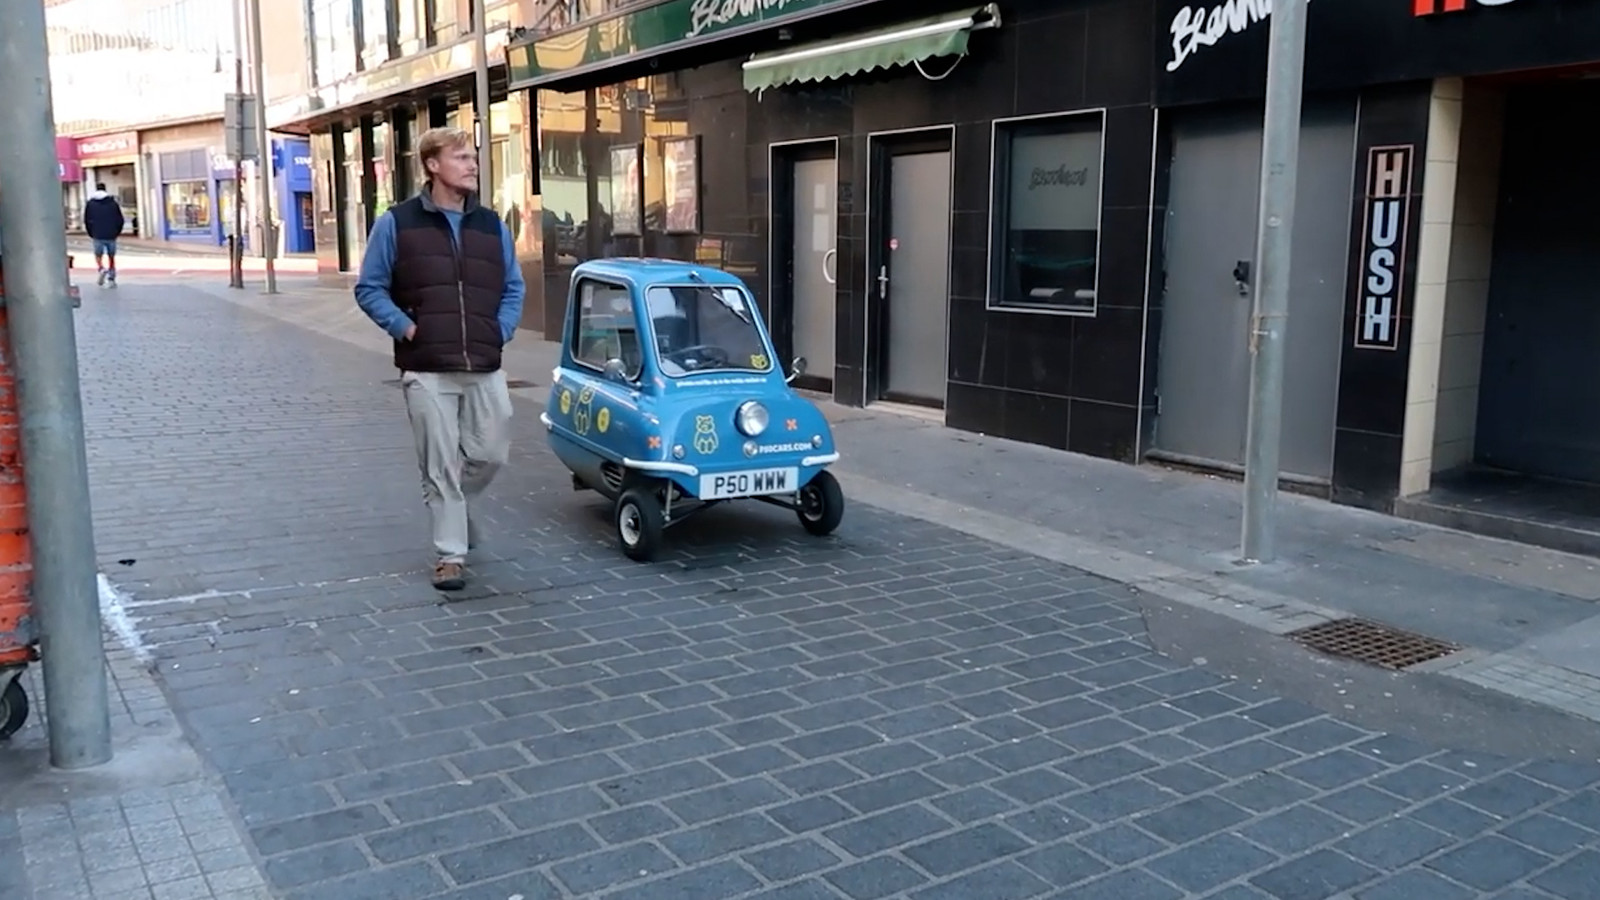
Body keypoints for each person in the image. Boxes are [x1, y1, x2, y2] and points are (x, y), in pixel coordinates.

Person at [354, 127, 525, 591]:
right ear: (432, 165)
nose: (472, 165)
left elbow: (513, 287)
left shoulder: (492, 225)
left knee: (490, 454)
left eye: (473, 157)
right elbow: (369, 288)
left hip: (484, 362)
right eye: (462, 157)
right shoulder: (397, 223)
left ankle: (450, 505)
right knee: (441, 465)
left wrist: (501, 329)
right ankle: (451, 555)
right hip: (427, 366)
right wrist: (407, 328)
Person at [83, 183, 125, 287]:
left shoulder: (91, 204)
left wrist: (91, 232)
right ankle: (111, 276)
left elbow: (87, 220)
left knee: (98, 254)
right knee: (111, 256)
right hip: (111, 234)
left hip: (97, 233)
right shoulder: (113, 203)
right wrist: (117, 231)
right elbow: (120, 219)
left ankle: (101, 268)